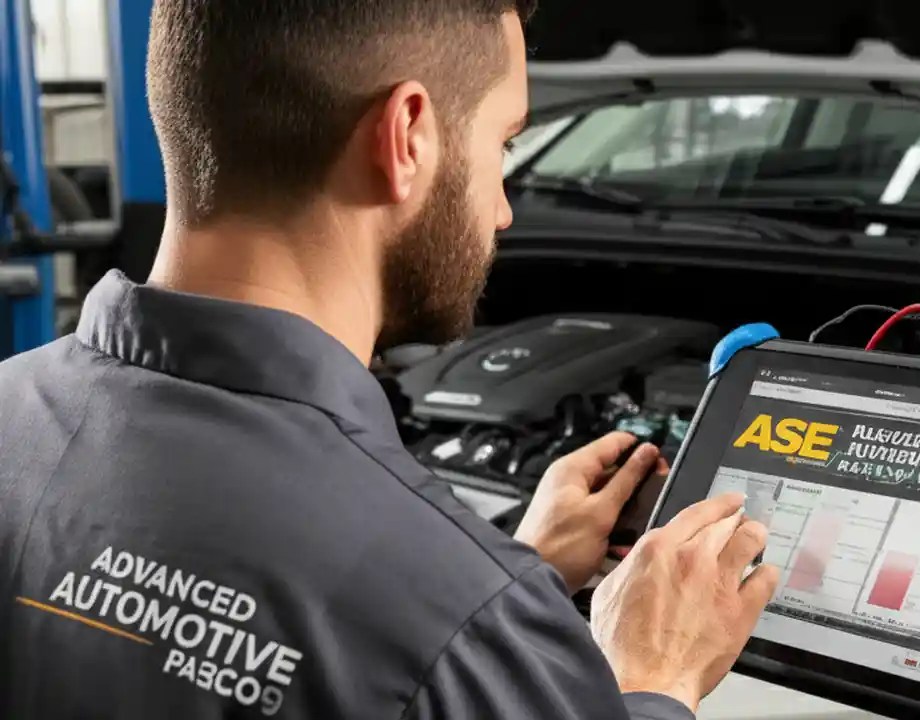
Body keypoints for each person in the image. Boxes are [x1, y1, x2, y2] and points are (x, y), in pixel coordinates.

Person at [0, 1, 781, 718]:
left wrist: (517, 569)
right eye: (503, 144)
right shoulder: (461, 618)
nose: (503, 207)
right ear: (407, 135)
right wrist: (651, 680)